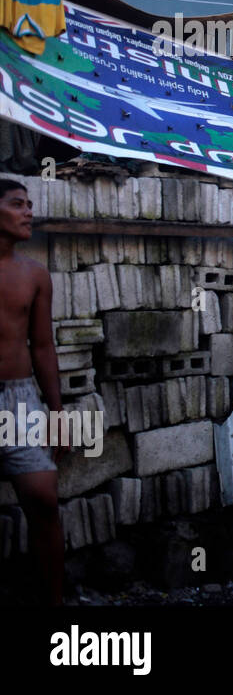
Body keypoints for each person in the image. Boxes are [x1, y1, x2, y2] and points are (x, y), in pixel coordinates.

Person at [0, 179, 65, 605]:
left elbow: (42, 346)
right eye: (18, 204)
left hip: (17, 398)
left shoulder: (34, 274)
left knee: (42, 497)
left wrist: (57, 415)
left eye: (30, 205)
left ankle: (56, 601)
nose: (28, 213)